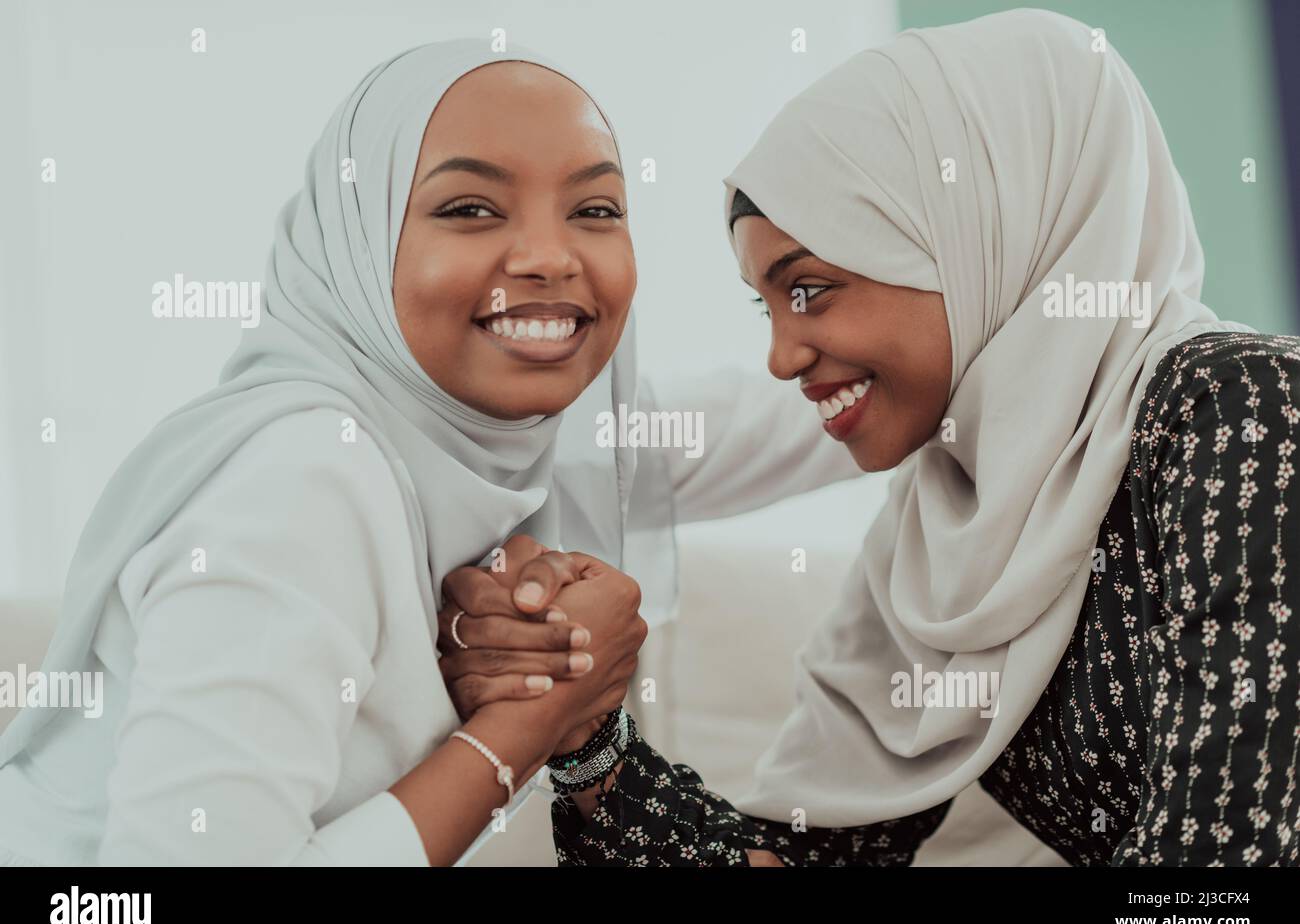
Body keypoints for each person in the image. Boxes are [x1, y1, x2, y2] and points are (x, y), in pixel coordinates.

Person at [441, 9, 1299, 866]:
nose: (781, 356)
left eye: (810, 288)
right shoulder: (942, 523)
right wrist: (588, 733)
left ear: (974, 237)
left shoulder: (1236, 411)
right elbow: (799, 860)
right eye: (764, 306)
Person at [0, 40, 857, 866]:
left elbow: (828, 403)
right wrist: (531, 722)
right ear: (358, 251)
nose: (550, 256)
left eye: (595, 210)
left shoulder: (536, 452)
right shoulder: (303, 478)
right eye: (470, 209)